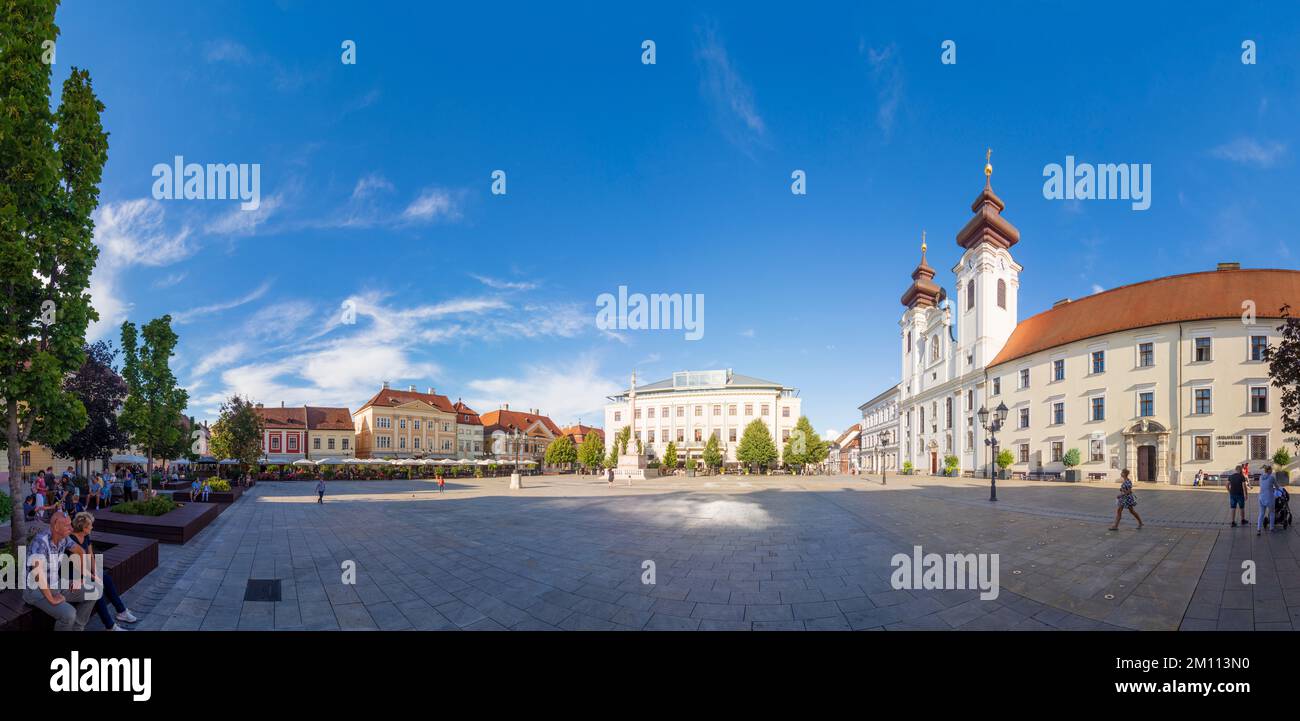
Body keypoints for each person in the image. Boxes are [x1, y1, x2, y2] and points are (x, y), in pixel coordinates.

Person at [22, 511, 98, 631]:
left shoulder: (64, 538)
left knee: (93, 591)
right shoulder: (41, 542)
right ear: (56, 526)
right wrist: (52, 599)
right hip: (35, 590)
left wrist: (80, 578)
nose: (71, 527)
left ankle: (77, 628)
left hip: (55, 584)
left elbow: (81, 551)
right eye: (67, 525)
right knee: (69, 614)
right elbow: (38, 575)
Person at [66, 511, 140, 631]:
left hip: (84, 569)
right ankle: (110, 626)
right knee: (96, 588)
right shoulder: (71, 539)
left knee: (106, 578)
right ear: (83, 527)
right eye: (90, 525)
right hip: (72, 573)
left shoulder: (86, 536)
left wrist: (96, 573)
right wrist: (93, 577)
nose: (92, 527)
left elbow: (91, 556)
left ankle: (121, 611)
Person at [1257, 465, 1277, 535]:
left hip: (1261, 497)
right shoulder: (1272, 477)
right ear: (1268, 470)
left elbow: (1263, 486)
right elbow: (1276, 487)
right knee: (1272, 512)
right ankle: (1271, 528)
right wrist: (1275, 489)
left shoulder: (1261, 477)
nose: (1272, 471)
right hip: (1269, 498)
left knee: (1261, 513)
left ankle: (1258, 529)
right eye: (1271, 470)